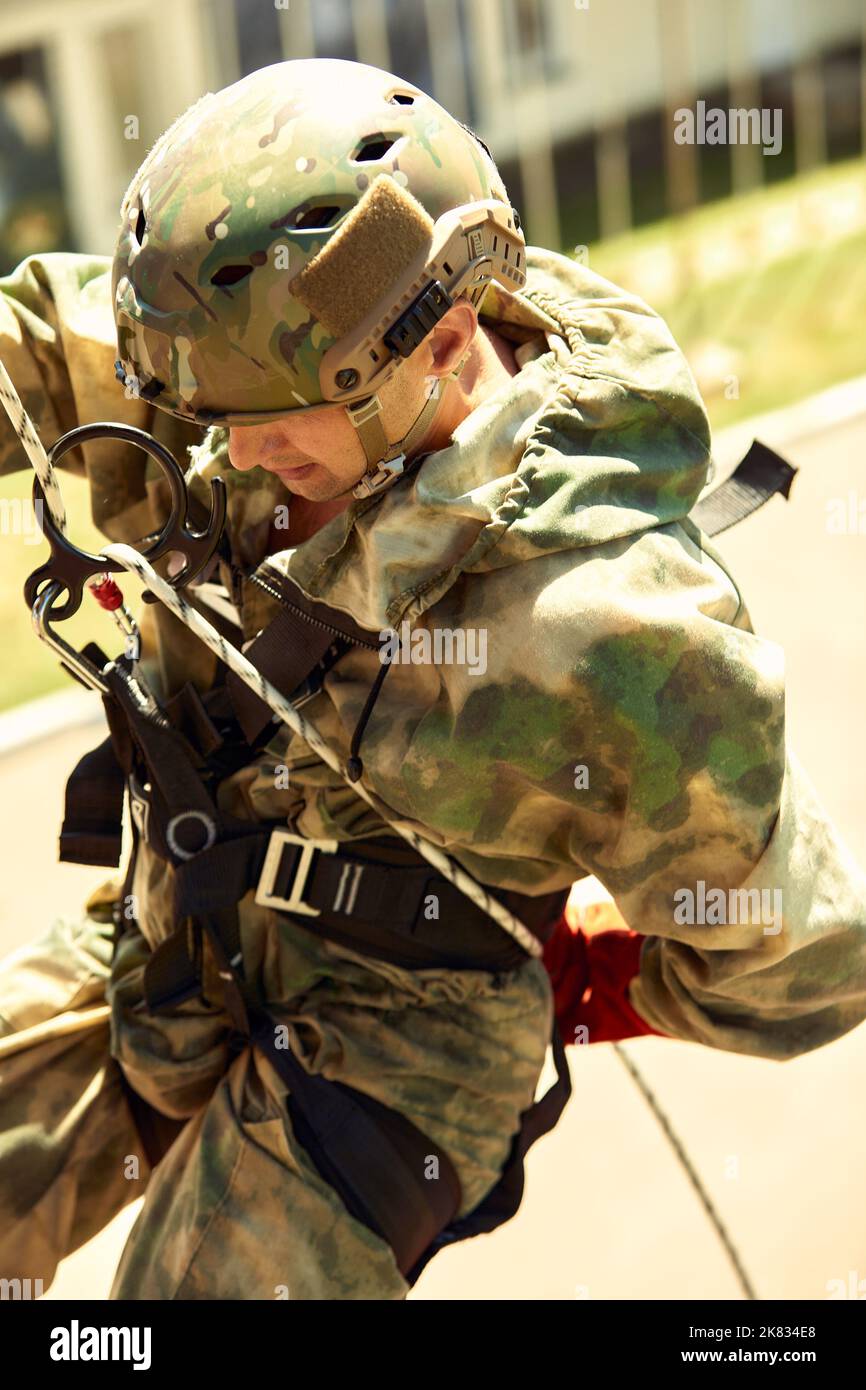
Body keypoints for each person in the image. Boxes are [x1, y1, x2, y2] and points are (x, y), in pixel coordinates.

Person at [1, 57, 864, 1301]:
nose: (230, 449)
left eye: (276, 417)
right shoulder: (246, 346)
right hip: (187, 919)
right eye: (206, 408)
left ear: (446, 341)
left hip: (397, 1036)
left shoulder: (608, 629)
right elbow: (41, 346)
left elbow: (803, 957)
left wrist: (595, 971)